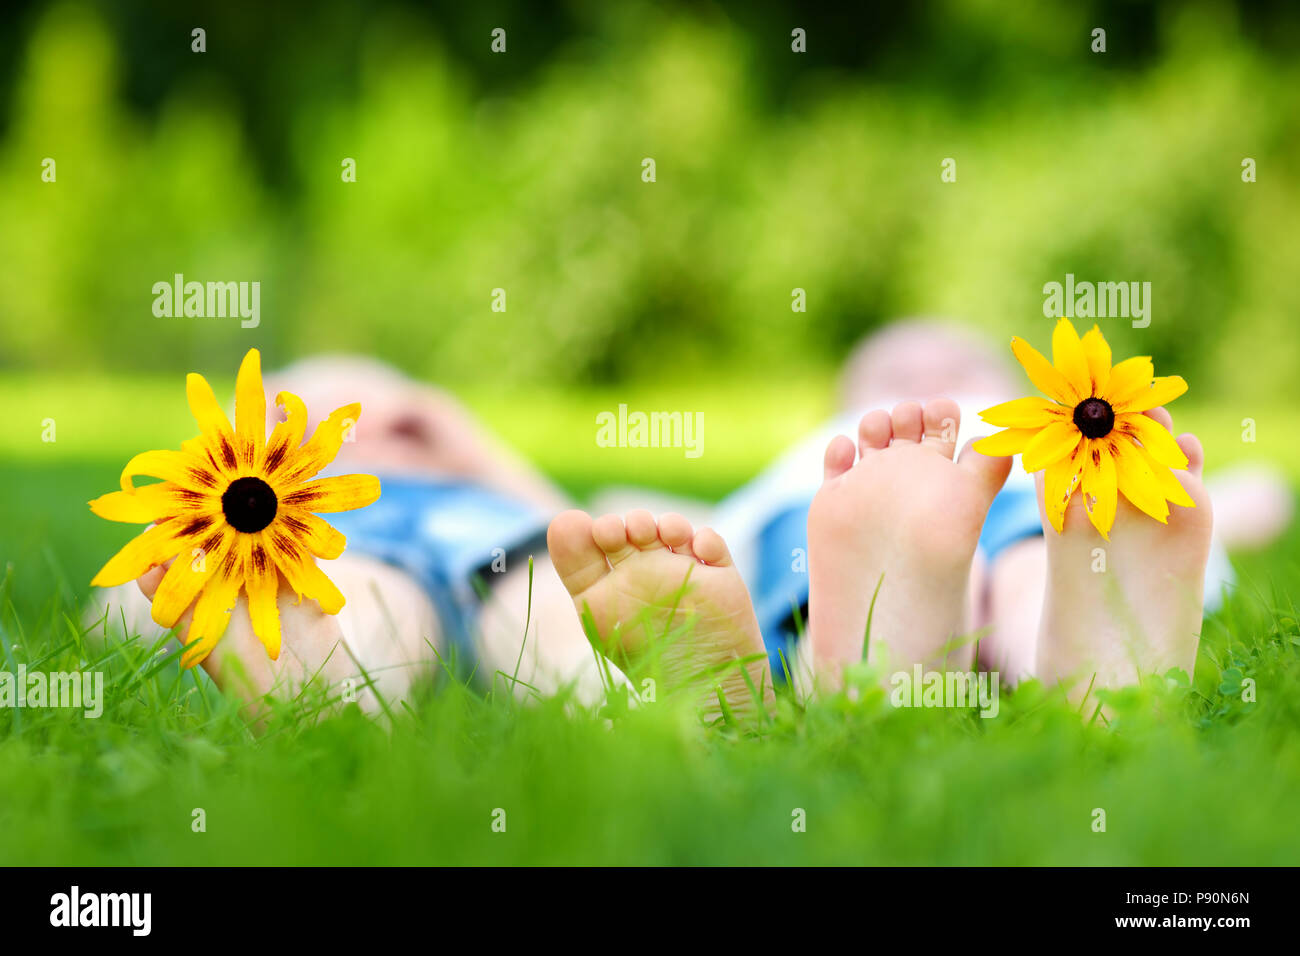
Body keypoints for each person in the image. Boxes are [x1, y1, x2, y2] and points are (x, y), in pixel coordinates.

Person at [95, 320, 1289, 719]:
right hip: (319, 549)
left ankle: (953, 632)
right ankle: (981, 649)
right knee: (389, 601)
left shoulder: (841, 471)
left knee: (1046, 541)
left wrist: (1225, 503)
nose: (925, 387)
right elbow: (604, 539)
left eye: (947, 366)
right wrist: (446, 434)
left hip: (1079, 469)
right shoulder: (817, 474)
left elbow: (594, 529)